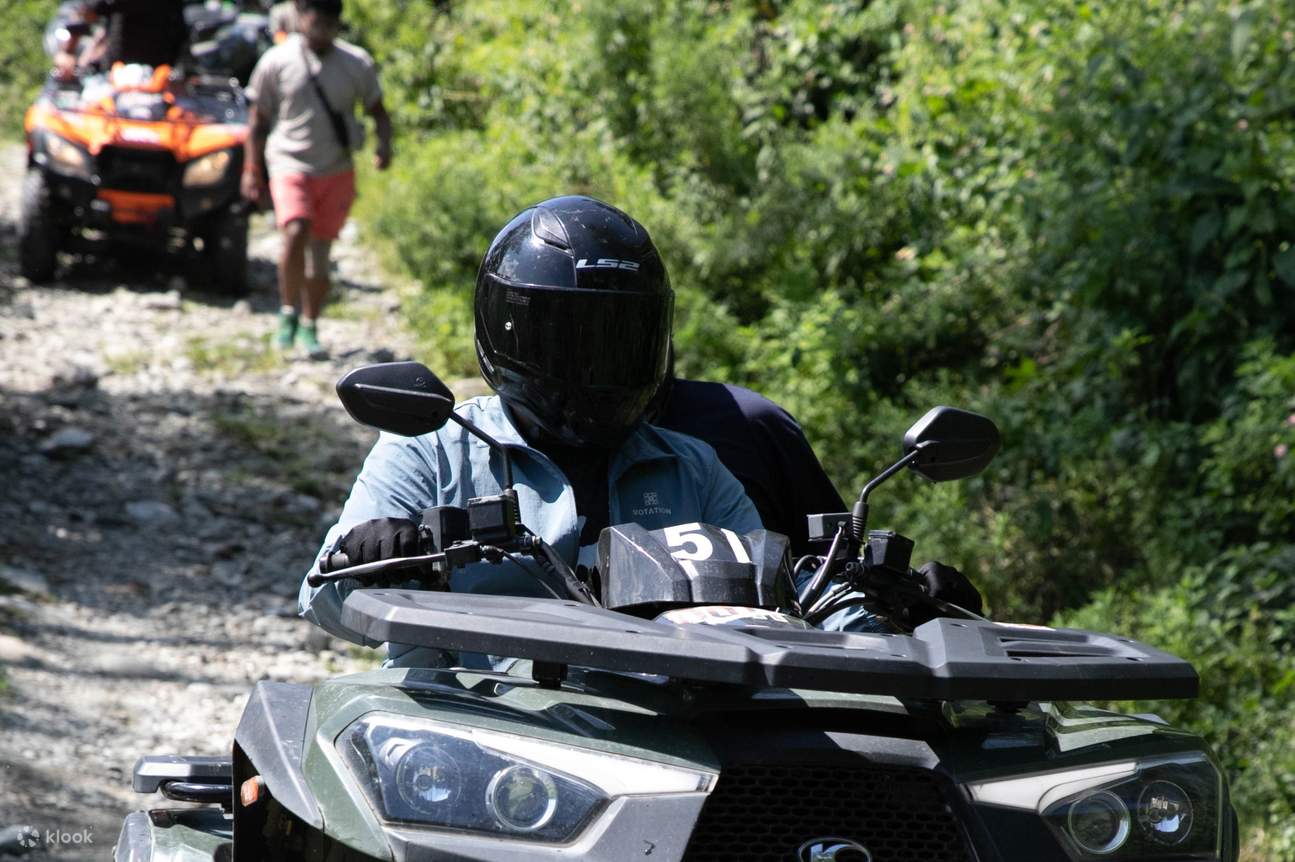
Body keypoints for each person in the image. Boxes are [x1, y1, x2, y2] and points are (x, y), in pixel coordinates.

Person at [300, 196, 762, 666]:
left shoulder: (691, 468)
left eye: (619, 340)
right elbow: (321, 599)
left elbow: (778, 602)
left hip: (655, 726)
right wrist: (367, 559)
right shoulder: (432, 448)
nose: (597, 364)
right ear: (507, 330)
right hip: (467, 718)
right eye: (574, 341)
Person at [242, 0, 393, 358]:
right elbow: (257, 121)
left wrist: (383, 146)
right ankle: (287, 313)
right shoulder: (276, 61)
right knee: (295, 230)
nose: (322, 31)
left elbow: (378, 112)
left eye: (329, 25)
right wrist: (251, 170)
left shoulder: (356, 63)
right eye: (315, 23)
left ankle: (310, 325)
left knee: (321, 254)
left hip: (336, 168)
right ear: (301, 19)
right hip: (288, 162)